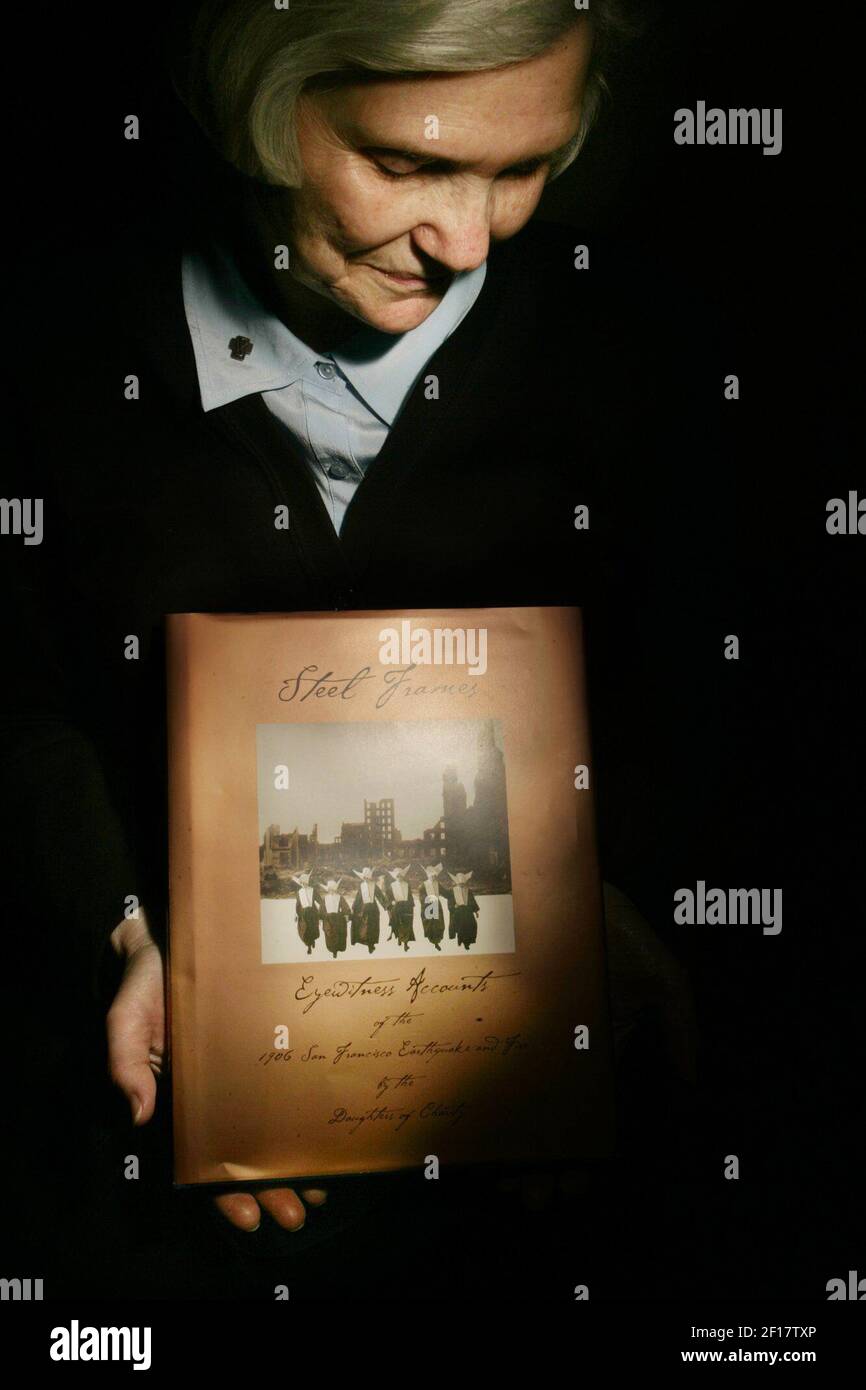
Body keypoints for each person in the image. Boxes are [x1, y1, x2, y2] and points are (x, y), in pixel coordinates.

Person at [3, 0, 725, 1251]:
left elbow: (702, 688)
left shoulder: (639, 361)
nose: (464, 240)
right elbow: (18, 693)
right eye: (402, 164)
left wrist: (604, 902)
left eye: (522, 168)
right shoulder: (51, 347)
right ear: (261, 104)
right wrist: (121, 922)